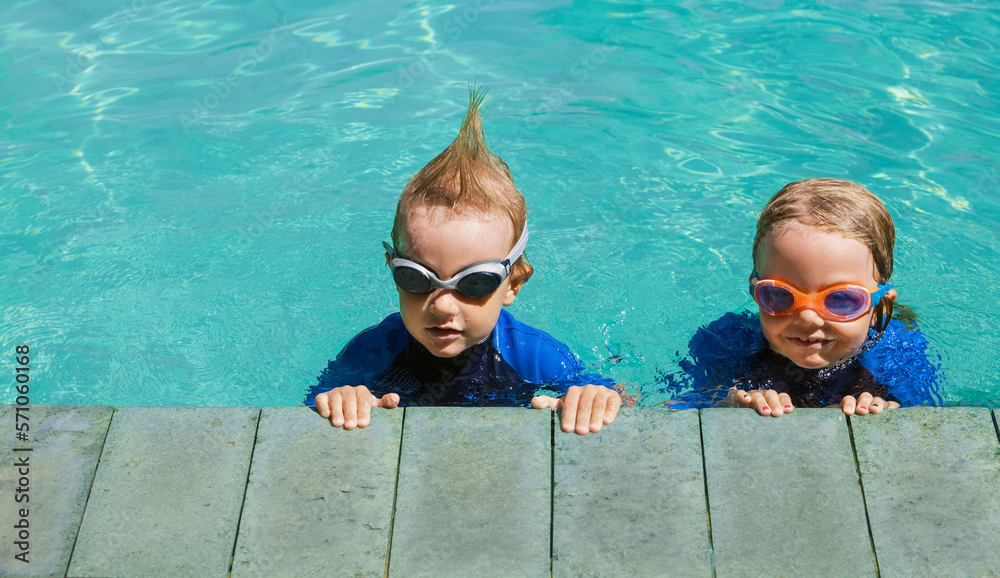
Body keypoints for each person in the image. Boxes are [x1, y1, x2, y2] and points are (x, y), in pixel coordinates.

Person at [307, 87, 621, 433]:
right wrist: (342, 398)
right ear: (392, 270)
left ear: (513, 283)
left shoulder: (534, 355)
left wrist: (590, 399)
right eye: (416, 278)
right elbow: (316, 400)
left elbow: (612, 396)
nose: (442, 306)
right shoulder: (372, 351)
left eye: (474, 283)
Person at [664, 178, 941, 416]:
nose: (807, 317)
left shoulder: (900, 350)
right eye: (779, 295)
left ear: (878, 306)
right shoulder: (724, 340)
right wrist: (725, 406)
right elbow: (670, 410)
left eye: (841, 299)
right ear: (756, 291)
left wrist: (884, 415)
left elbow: (926, 419)